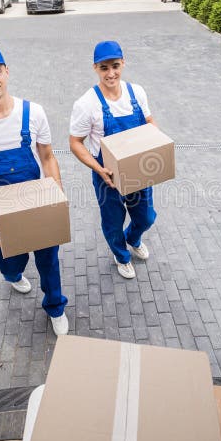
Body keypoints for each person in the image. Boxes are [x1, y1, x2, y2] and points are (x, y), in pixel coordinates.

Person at [0, 45, 69, 335]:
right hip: (1, 212)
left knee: (49, 261)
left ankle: (55, 306)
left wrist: (57, 194)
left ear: (7, 72)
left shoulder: (33, 112)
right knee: (10, 260)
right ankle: (13, 273)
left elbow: (47, 157)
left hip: (39, 202)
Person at [69, 40, 158, 279]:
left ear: (123, 63)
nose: (111, 73)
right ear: (95, 68)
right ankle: (121, 256)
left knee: (146, 217)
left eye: (115, 66)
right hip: (106, 175)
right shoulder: (87, 104)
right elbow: (75, 142)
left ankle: (133, 238)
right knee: (113, 221)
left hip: (138, 169)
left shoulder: (136, 93)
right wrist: (98, 169)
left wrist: (156, 148)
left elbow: (149, 123)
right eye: (104, 67)